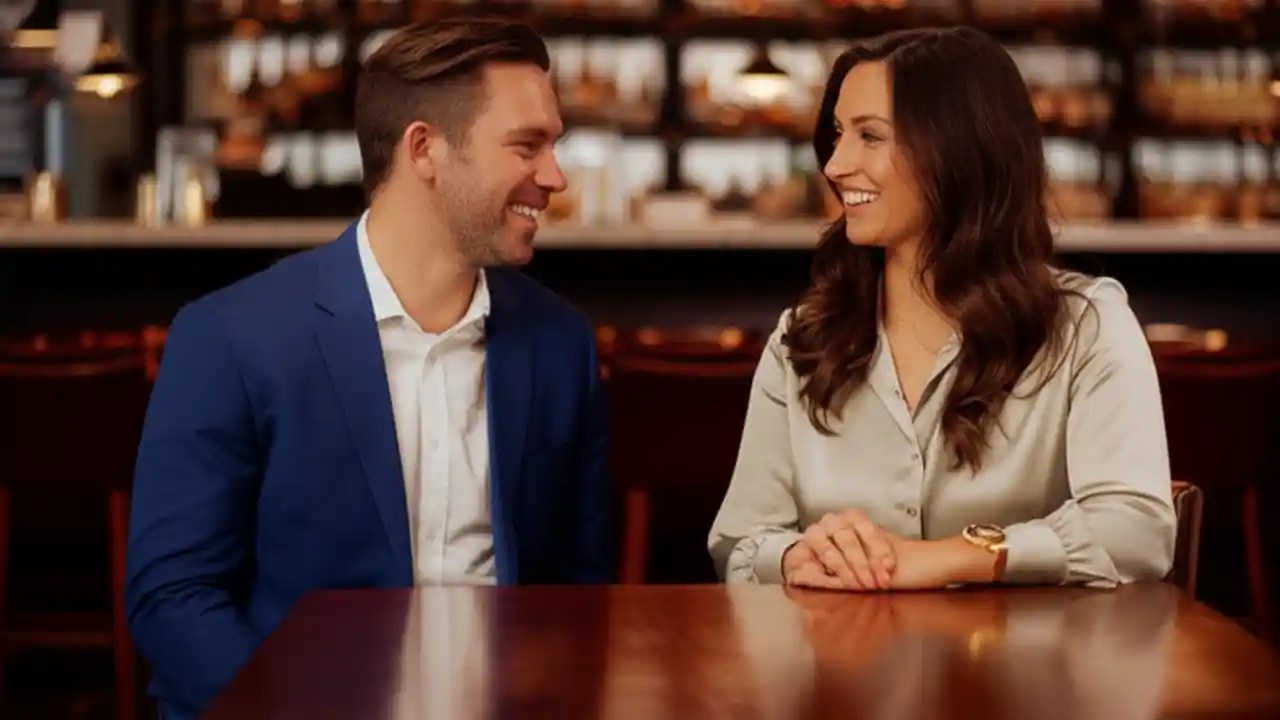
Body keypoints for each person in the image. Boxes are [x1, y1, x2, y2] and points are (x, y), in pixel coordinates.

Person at [126, 18, 614, 718]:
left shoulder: (560, 343)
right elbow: (174, 600)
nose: (555, 176)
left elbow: (577, 590)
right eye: (526, 145)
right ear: (425, 150)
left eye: (554, 144)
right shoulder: (233, 338)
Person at [708, 26, 1175, 592]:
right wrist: (793, 557)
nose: (834, 165)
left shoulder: (1086, 327)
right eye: (837, 134)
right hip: (847, 676)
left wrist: (946, 558)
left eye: (870, 136)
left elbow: (1138, 531)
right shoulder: (802, 339)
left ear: (956, 151)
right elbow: (738, 542)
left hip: (1033, 675)